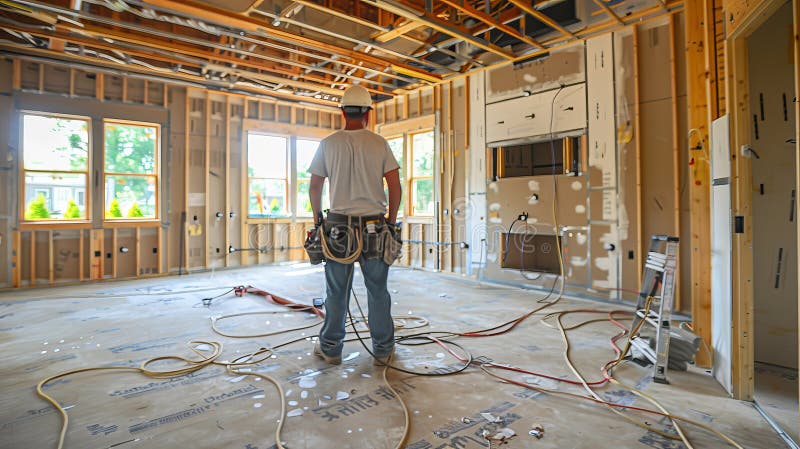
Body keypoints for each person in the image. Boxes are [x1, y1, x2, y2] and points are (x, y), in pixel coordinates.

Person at [308, 84, 402, 366]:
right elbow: (395, 187)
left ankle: (331, 349)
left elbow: (314, 187)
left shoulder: (328, 144)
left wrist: (318, 222)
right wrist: (391, 223)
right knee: (378, 291)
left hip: (338, 230)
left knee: (337, 292)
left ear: (342, 112)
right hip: (374, 227)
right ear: (367, 114)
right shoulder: (379, 143)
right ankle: (383, 351)